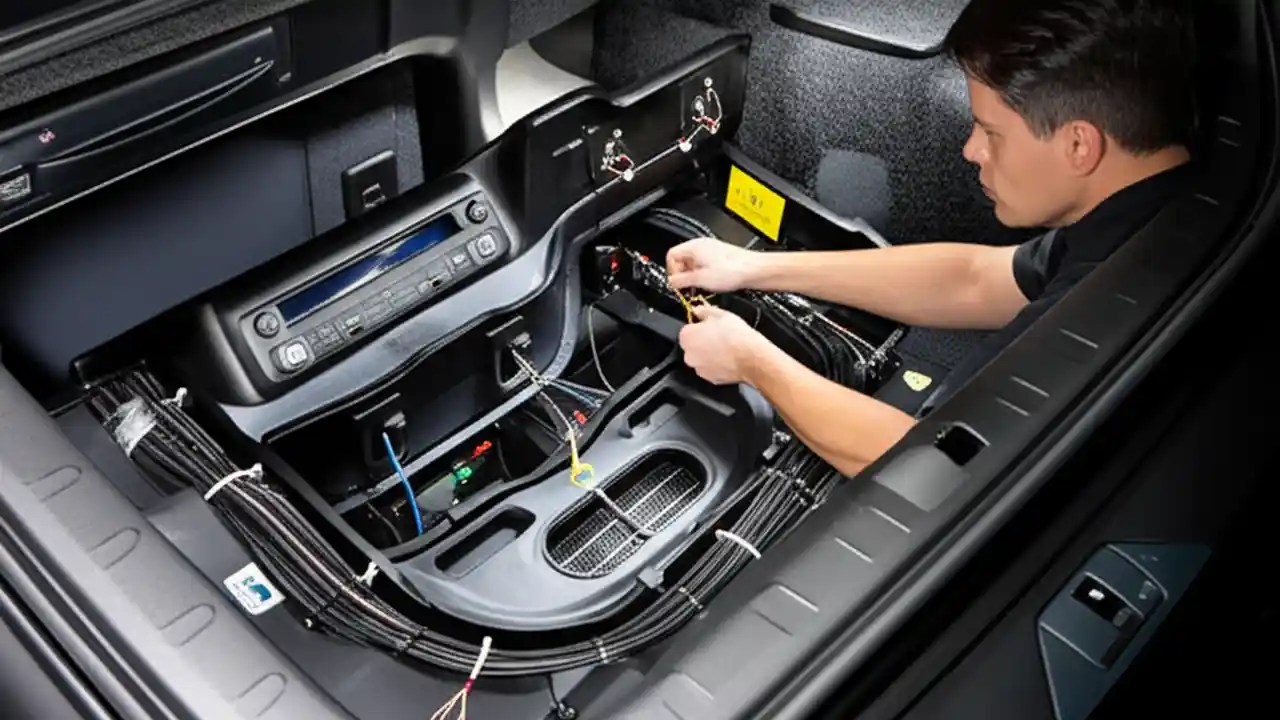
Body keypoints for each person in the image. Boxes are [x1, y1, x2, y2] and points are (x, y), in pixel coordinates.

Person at [668, 0, 1197, 476]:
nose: (972, 151)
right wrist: (752, 268)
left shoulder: (1104, 304)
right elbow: (976, 281)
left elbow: (918, 464)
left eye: (991, 133)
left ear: (1080, 144)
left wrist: (750, 360)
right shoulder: (1151, 203)